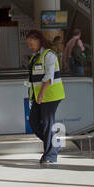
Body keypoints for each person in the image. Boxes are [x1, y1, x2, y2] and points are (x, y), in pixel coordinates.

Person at [26, 31, 64, 165]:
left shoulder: (49, 55)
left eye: (31, 43)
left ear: (38, 40)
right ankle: (54, 145)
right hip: (39, 96)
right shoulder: (35, 56)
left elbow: (48, 77)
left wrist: (41, 93)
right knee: (33, 121)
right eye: (28, 44)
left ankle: (50, 155)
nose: (30, 46)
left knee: (48, 124)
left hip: (50, 95)